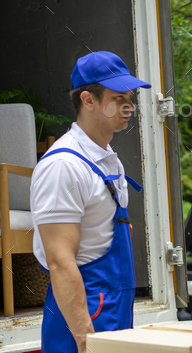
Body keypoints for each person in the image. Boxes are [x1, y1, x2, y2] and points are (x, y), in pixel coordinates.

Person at [31, 51, 151, 353]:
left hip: (114, 307)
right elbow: (60, 262)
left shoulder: (109, 160)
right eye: (119, 98)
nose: (129, 106)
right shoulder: (64, 166)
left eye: (130, 97)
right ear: (88, 100)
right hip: (83, 316)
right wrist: (86, 341)